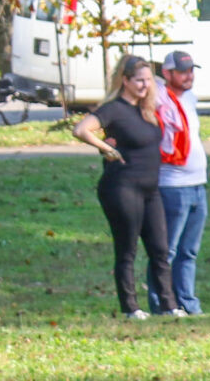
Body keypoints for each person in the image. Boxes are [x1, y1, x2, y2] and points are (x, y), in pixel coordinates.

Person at [71, 55, 172, 319]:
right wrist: (107, 149)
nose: (145, 86)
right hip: (122, 188)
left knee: (160, 249)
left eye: (149, 80)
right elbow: (81, 129)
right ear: (125, 81)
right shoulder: (114, 109)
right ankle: (131, 308)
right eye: (139, 80)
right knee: (127, 249)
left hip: (151, 190)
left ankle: (169, 305)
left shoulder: (146, 110)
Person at [152, 49, 208, 316]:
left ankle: (187, 302)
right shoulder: (158, 100)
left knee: (189, 251)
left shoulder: (191, 99)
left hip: (198, 184)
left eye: (191, 70)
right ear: (167, 73)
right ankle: (162, 303)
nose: (188, 76)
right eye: (183, 71)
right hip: (172, 184)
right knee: (167, 251)